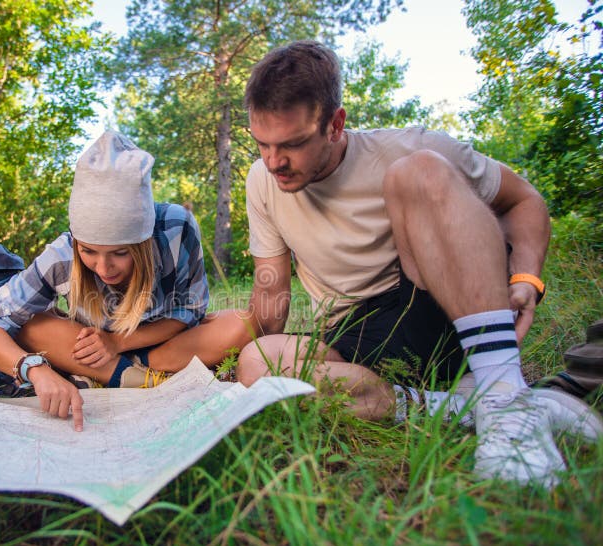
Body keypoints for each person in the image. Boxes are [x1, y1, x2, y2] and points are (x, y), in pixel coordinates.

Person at [235, 40, 602, 487]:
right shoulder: (262, 181)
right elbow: (271, 286)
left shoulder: (410, 147)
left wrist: (526, 276)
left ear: (334, 125)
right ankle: (466, 405)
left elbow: (523, 199)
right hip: (356, 333)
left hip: (440, 304)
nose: (275, 162)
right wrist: (242, 360)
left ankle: (502, 395)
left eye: (291, 144)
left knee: (418, 171)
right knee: (259, 364)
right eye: (262, 145)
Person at [0, 131, 250, 432]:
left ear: (144, 242)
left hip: (162, 344)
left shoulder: (176, 228)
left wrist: (116, 342)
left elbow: (190, 310)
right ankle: (143, 380)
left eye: (120, 253)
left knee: (243, 322)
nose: (104, 268)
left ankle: (118, 374)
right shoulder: (61, 255)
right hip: (89, 350)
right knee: (33, 324)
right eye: (89, 251)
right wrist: (34, 369)